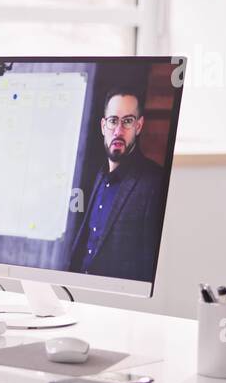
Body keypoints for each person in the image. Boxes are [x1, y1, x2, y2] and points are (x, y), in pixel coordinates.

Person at [67, 86, 166, 281]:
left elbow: (147, 268)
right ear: (103, 126)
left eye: (127, 121)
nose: (118, 131)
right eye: (113, 121)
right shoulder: (98, 176)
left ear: (138, 126)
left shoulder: (154, 182)